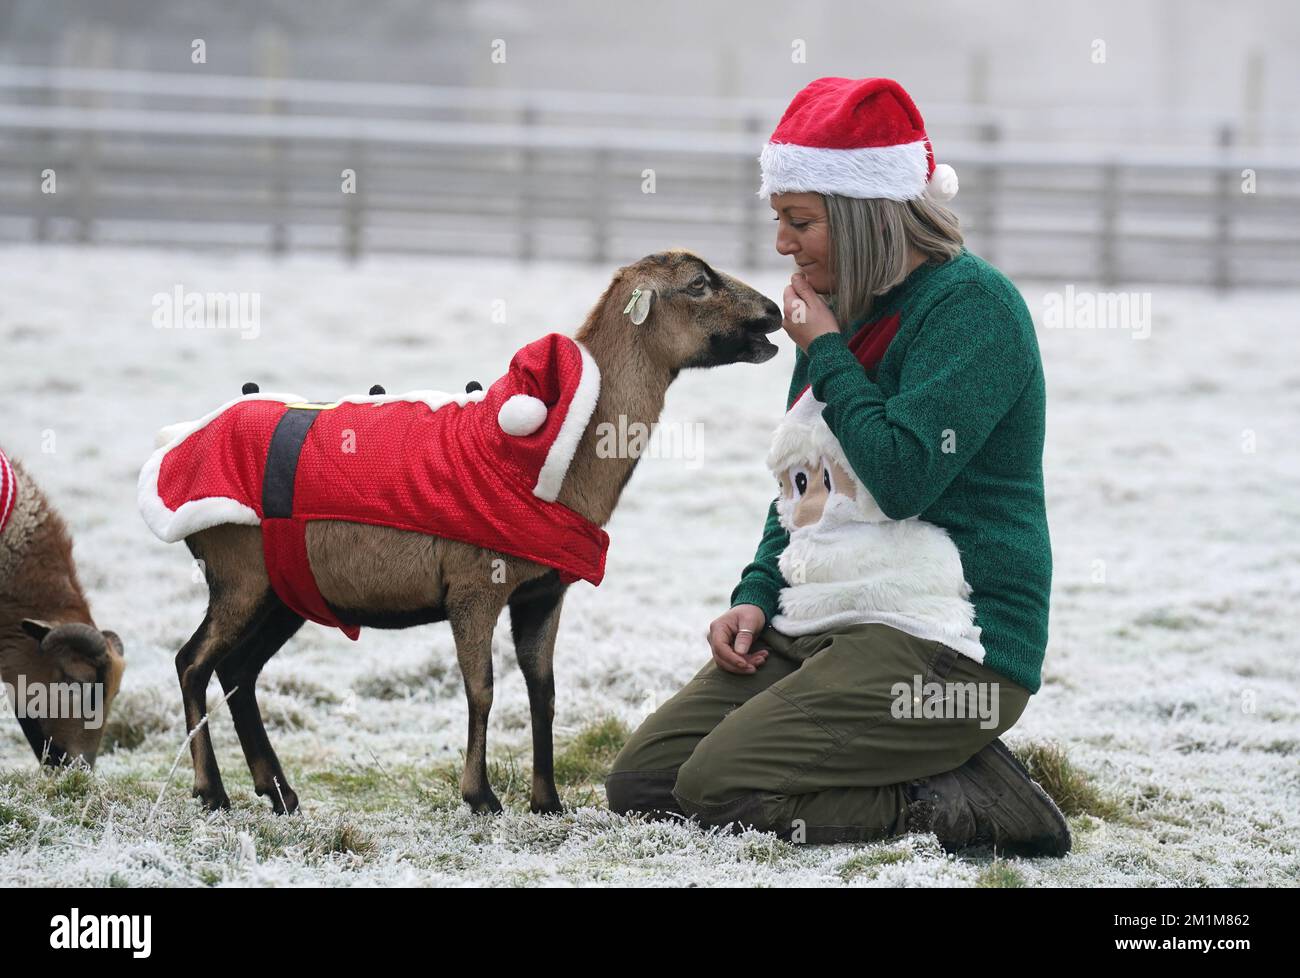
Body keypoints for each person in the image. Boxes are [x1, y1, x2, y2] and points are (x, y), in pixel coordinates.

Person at [605, 77, 1070, 856]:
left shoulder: (972, 309)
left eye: (801, 221)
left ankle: (975, 799)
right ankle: (885, 755)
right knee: (646, 785)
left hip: (949, 643)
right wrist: (755, 596)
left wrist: (824, 349)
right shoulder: (841, 307)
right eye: (778, 220)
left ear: (865, 215)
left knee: (718, 785)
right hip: (827, 618)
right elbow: (802, 485)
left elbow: (901, 478)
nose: (781, 243)